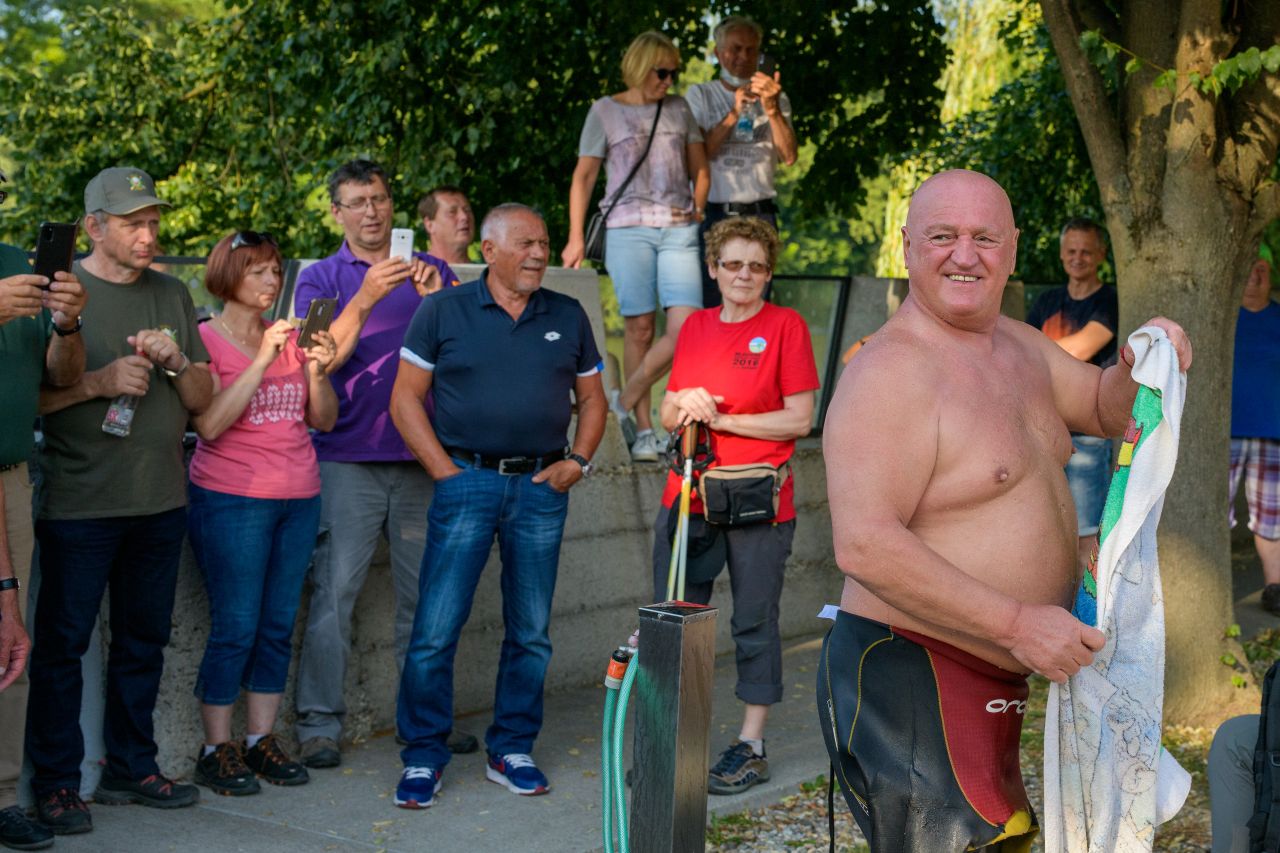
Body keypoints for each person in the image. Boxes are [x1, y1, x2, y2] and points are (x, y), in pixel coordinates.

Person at [819, 170, 1192, 852]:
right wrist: (1019, 624)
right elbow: (865, 545)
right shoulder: (890, 373)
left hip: (997, 676)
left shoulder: (1018, 346)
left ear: (1014, 250)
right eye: (943, 236)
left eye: (985, 237)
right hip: (915, 676)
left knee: (1012, 839)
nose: (966, 255)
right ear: (907, 247)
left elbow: (1108, 409)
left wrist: (1145, 354)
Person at [390, 204, 606, 809]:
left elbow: (592, 401)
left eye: (543, 243)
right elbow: (406, 401)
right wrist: (446, 474)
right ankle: (424, 754)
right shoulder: (443, 310)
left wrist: (579, 463)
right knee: (435, 630)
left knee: (532, 632)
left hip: (542, 488)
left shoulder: (566, 313)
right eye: (526, 244)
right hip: (467, 483)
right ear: (489, 250)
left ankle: (512, 747)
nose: (539, 253)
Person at [28, 167, 214, 835]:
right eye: (134, 221)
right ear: (94, 227)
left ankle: (130, 766)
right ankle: (55, 783)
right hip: (80, 502)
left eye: (154, 220)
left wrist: (177, 363)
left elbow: (202, 405)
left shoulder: (171, 290)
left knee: (144, 641)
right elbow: (34, 402)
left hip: (160, 499)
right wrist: (99, 381)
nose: (148, 233)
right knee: (63, 646)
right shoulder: (60, 293)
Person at [292, 159, 474, 769]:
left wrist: (439, 302)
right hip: (345, 459)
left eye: (379, 199)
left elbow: (473, 359)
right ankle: (319, 725)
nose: (371, 212)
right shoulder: (316, 278)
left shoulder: (436, 270)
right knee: (334, 595)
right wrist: (367, 298)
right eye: (357, 202)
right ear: (337, 212)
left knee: (425, 599)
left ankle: (425, 723)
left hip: (423, 457)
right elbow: (315, 362)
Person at [651, 217, 817, 795]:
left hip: (757, 501)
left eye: (756, 266)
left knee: (753, 620)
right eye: (733, 264)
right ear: (713, 268)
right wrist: (682, 404)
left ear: (769, 273)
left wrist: (722, 418)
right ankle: (676, 741)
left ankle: (751, 745)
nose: (744, 275)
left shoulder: (785, 326)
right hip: (690, 494)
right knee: (676, 619)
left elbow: (800, 418)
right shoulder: (695, 327)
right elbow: (667, 414)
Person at [186, 231, 339, 796]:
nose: (272, 282)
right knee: (236, 626)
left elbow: (323, 420)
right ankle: (215, 749)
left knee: (277, 626)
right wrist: (264, 357)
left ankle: (260, 740)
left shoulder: (294, 340)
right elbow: (209, 423)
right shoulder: (205, 339)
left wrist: (317, 371)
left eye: (276, 272)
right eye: (258, 272)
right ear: (229, 277)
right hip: (232, 497)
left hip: (299, 495)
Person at [562, 30, 710, 463]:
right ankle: (645, 430)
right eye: (661, 72)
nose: (668, 80)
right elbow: (584, 177)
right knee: (639, 328)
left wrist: (698, 208)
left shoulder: (679, 108)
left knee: (687, 327)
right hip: (627, 228)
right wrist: (574, 238)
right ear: (640, 67)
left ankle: (620, 402)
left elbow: (701, 168)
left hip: (678, 228)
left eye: (673, 73)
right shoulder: (604, 111)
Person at [0, 170, 87, 850]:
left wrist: (67, 322)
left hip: (9, 476)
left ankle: (2, 794)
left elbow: (58, 376)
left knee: (8, 637)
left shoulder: (14, 264)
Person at [684, 15, 798, 308]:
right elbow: (698, 156)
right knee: (712, 304)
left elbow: (789, 156)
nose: (743, 57)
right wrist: (734, 112)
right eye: (736, 49)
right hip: (714, 213)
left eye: (751, 50)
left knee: (756, 304)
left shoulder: (775, 97)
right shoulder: (700, 95)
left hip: (759, 213)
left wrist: (771, 109)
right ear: (718, 53)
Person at [1026, 218, 1119, 574]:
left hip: (1087, 438)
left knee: (1084, 540)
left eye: (1086, 251)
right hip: (1041, 433)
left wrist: (1038, 354)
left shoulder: (1109, 300)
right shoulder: (1049, 300)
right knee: (1044, 534)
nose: (1077, 258)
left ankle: (1087, 624)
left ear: (1101, 255)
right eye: (1071, 251)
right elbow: (1021, 350)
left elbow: (1081, 348)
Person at [1229, 258, 1280, 614]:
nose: (1255, 275)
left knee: (1271, 517)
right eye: (1250, 267)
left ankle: (1274, 589)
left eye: (1263, 269)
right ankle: (1213, 591)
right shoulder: (1222, 318)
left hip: (1272, 433)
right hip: (1222, 434)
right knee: (1217, 513)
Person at [418, 186, 474, 267]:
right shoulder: (412, 274)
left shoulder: (489, 274)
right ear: (429, 225)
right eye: (452, 212)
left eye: (467, 210)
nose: (464, 217)